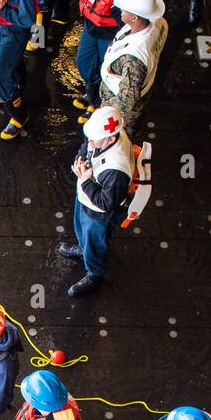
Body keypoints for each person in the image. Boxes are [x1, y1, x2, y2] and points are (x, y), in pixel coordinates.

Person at [58, 105, 136, 297]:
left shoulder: (117, 170)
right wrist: (81, 158)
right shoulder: (103, 136)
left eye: (94, 140)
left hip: (97, 211)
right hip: (86, 197)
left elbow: (106, 203)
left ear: (110, 139)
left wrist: (84, 180)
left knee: (94, 240)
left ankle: (95, 273)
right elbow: (86, 144)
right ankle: (84, 249)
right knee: (80, 228)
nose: (90, 142)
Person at [97, 0, 167, 136]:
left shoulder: (133, 59)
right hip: (143, 92)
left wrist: (105, 110)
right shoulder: (159, 23)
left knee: (115, 143)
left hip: (121, 116)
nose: (121, 10)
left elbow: (126, 102)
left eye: (126, 10)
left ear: (135, 18)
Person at [0, 0, 40, 140]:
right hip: (4, 25)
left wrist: (2, 10)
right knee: (13, 61)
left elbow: (28, 19)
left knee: (2, 74)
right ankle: (18, 86)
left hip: (14, 30)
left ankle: (19, 116)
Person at [71, 0, 120, 121]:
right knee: (83, 63)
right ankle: (93, 93)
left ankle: (98, 103)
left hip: (112, 30)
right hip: (91, 24)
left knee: (106, 69)